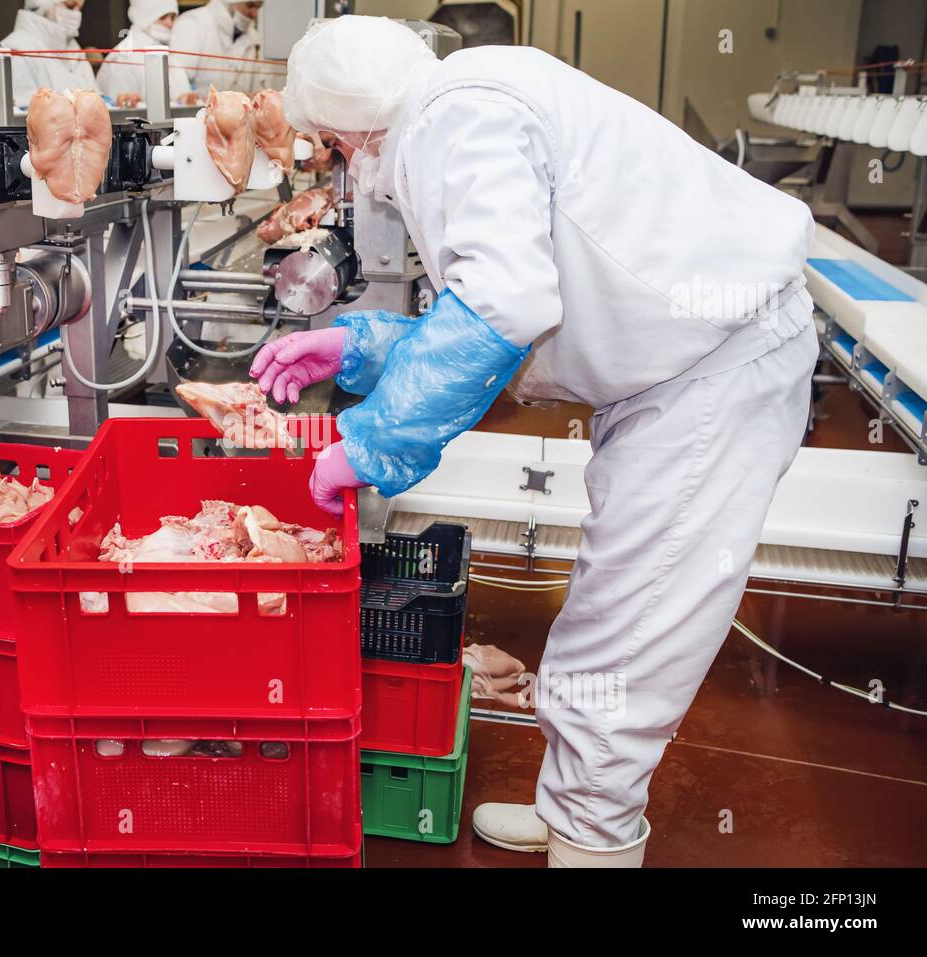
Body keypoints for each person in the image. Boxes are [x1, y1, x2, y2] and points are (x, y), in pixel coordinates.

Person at [257, 16, 819, 867]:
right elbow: (501, 308)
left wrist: (368, 442)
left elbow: (502, 308)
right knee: (604, 606)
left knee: (631, 630)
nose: (343, 164)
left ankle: (591, 844)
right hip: (670, 367)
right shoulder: (456, 102)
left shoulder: (456, 117)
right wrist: (364, 347)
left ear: (350, 122)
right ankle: (573, 811)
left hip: (714, 366)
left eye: (333, 144)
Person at [0, 0, 95, 108]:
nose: (76, 14)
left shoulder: (74, 50)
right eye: (70, 6)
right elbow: (23, 116)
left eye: (80, 8)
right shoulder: (15, 51)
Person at [97, 0, 195, 106]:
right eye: (162, 17)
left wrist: (183, 101)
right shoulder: (121, 58)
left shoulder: (170, 57)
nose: (169, 23)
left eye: (172, 17)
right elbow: (120, 114)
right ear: (144, 15)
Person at [170, 0, 267, 95]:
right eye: (250, 5)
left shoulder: (252, 37)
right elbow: (176, 84)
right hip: (197, 110)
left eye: (258, 7)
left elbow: (258, 87)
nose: (254, 13)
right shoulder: (193, 23)